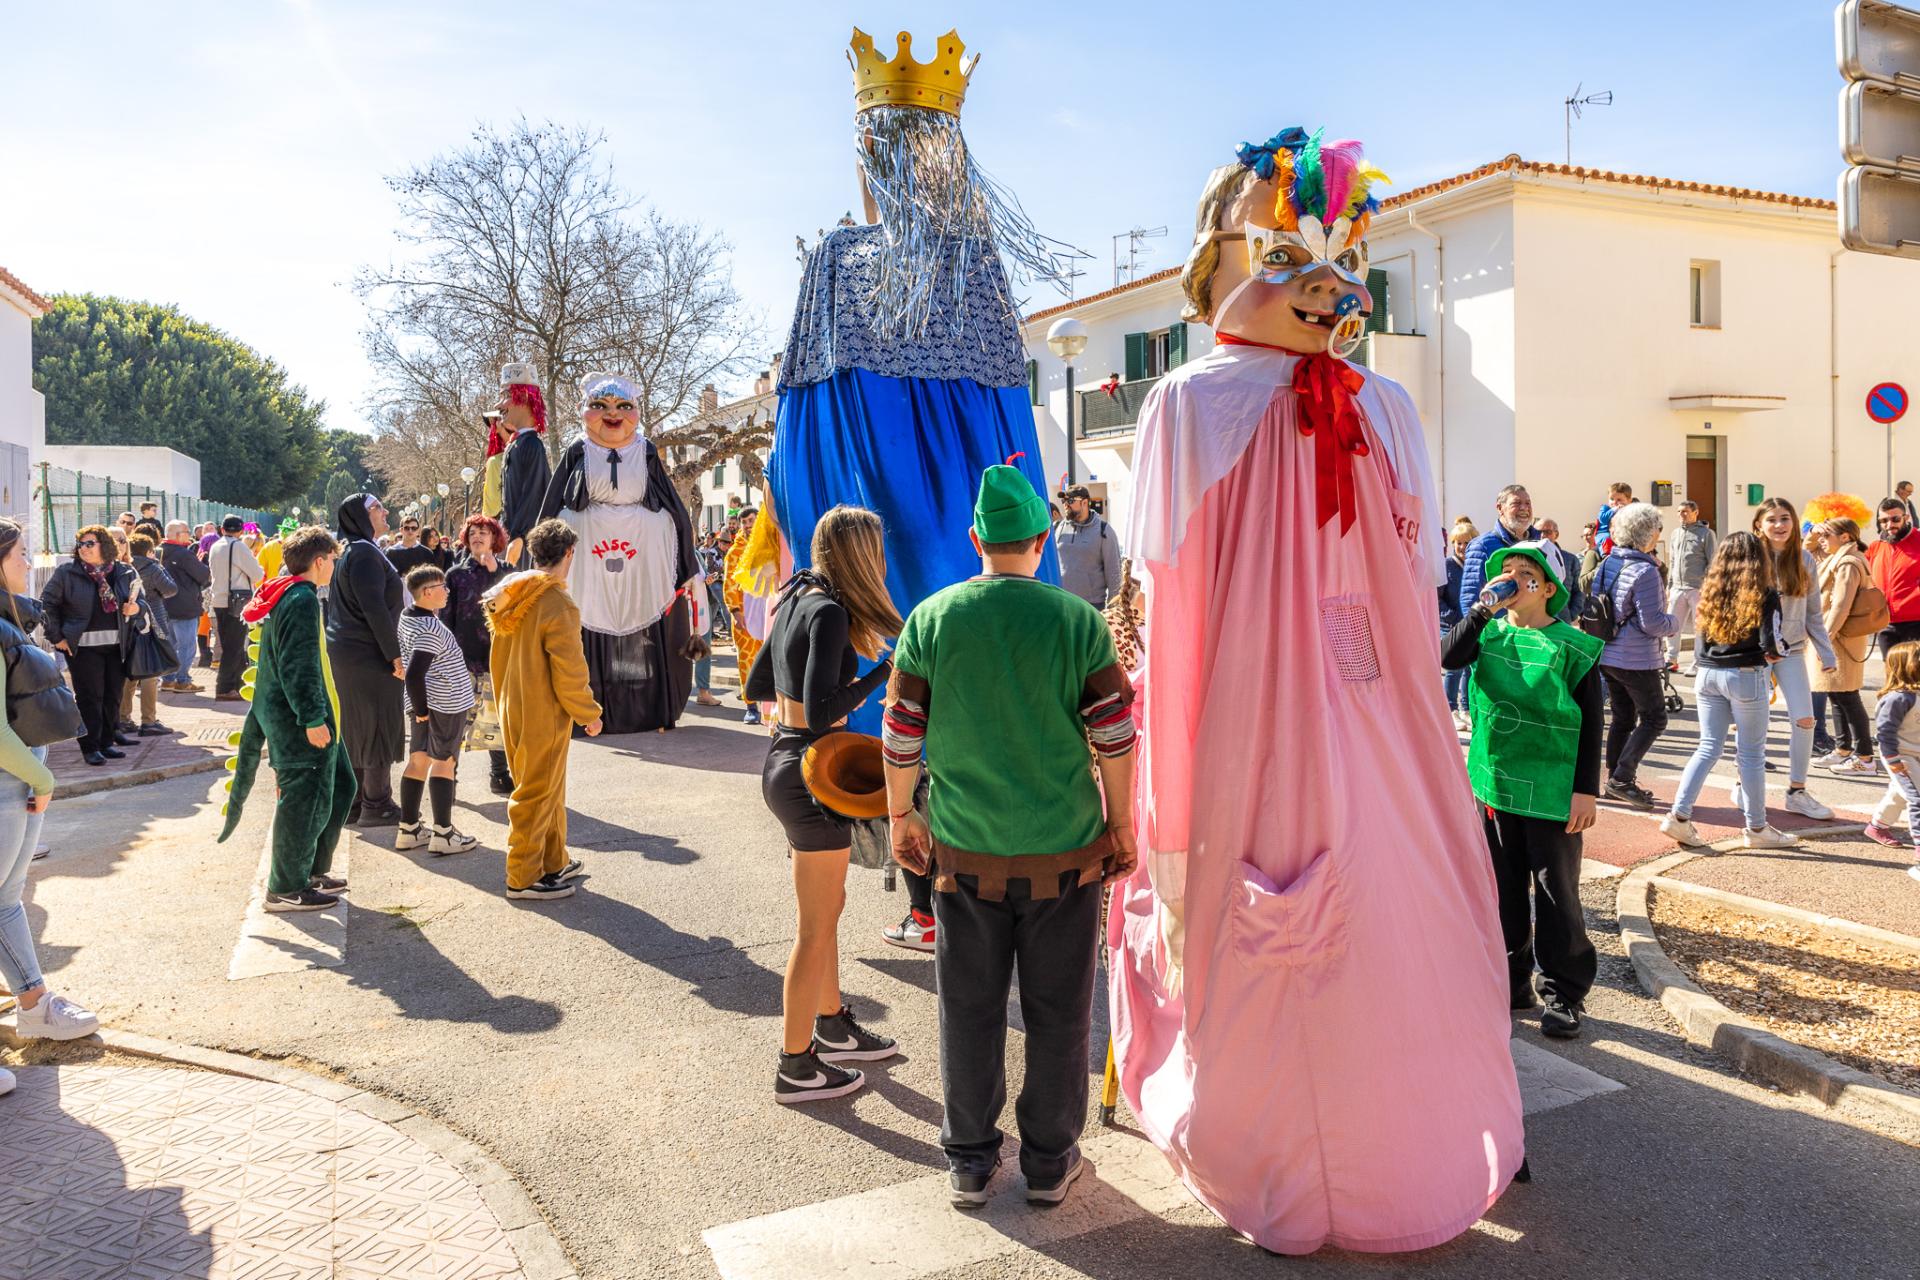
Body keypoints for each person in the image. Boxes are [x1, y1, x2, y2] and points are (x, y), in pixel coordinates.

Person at [1111, 127, 1524, 1255]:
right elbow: (1178, 600)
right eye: (1285, 252)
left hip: (1372, 711)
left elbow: (1407, 581)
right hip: (1263, 712)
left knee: (1397, 901)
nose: (1327, 282)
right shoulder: (1191, 404)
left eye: (1341, 253)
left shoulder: (1382, 406)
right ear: (1222, 259)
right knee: (1302, 917)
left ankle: (1415, 1132)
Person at [768, 26, 1064, 744]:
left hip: (866, 502)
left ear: (870, 157)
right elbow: (1007, 418)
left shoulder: (839, 258)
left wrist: (793, 509)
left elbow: (802, 424)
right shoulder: (975, 260)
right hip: (966, 500)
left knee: (898, 637)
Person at [884, 466, 1136, 1206]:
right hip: (1065, 855)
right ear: (1041, 541)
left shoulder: (931, 618)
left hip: (963, 857)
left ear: (976, 541)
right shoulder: (1077, 621)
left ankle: (968, 1160)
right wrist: (1120, 824)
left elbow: (901, 738)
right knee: (1059, 1014)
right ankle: (1051, 1164)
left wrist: (904, 817)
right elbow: (1116, 738)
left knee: (969, 1007)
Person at [744, 505, 903, 1104]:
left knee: (826, 910)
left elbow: (759, 685)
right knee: (814, 928)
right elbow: (818, 709)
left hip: (786, 763)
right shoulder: (830, 610)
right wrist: (883, 671)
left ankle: (832, 1024)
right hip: (811, 771)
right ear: (863, 555)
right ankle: (796, 1064)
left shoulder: (794, 600)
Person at [1441, 539, 1600, 1038]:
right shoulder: (1488, 631)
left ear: (1548, 588)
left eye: (1523, 573)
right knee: (1502, 890)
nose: (1510, 577)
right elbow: (1448, 658)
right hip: (1495, 786)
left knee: (1556, 895)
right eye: (1505, 569)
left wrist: (1585, 791)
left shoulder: (1573, 645)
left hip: (1551, 791)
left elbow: (1593, 721)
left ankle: (1564, 994)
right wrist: (1481, 610)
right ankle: (1512, 981)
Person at [537, 373, 703, 735]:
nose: (612, 414)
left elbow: (674, 509)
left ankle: (646, 709)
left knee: (640, 626)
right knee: (585, 623)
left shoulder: (644, 450)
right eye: (600, 406)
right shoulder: (579, 450)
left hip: (642, 547)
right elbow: (552, 507)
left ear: (636, 411)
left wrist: (682, 556)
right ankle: (587, 710)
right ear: (585, 411)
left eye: (623, 406)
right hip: (586, 552)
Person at [216, 526, 355, 911]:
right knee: (303, 798)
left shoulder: (294, 593)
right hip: (297, 718)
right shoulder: (300, 599)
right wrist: (312, 718)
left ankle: (309, 869)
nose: (334, 567)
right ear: (319, 561)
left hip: (308, 712)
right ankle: (286, 886)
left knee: (341, 785)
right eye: (333, 560)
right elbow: (298, 664)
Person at [0, 517, 100, 1046]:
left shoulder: (11, 618)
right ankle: (35, 1004)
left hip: (18, 781)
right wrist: (41, 777)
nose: (27, 561)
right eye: (19, 552)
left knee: (7, 898)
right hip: (11, 780)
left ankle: (34, 1004)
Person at [485, 518, 603, 901]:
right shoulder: (556, 602)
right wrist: (589, 712)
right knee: (537, 790)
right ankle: (523, 874)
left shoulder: (513, 592)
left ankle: (552, 860)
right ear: (569, 553)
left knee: (546, 786)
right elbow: (570, 669)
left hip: (512, 701)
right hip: (542, 708)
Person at [1660, 533, 1796, 850]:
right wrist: (1787, 651)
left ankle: (1679, 817)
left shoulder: (1710, 590)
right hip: (1745, 674)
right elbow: (1773, 646)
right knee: (1750, 754)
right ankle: (1757, 827)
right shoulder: (1765, 593)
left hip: (1707, 673)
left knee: (1708, 747)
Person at [1750, 498, 1836, 821]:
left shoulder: (1804, 560)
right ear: (1759, 524)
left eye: (1785, 518)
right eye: (1771, 519)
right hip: (1756, 653)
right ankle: (1745, 783)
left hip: (1793, 650)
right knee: (1754, 722)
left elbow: (1813, 612)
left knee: (1805, 720)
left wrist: (1826, 653)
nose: (1779, 525)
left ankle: (1797, 791)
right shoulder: (1751, 558)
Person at [327, 494, 406, 827]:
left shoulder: (356, 551)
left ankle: (358, 803)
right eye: (376, 507)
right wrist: (395, 655)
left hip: (353, 653)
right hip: (368, 654)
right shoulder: (363, 553)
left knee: (359, 727)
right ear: (360, 516)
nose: (385, 511)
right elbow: (374, 608)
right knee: (376, 725)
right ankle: (377, 803)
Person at [1592, 502, 1677, 809]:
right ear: (1648, 533)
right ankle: (1622, 778)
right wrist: (1676, 621)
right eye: (1658, 528)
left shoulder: (1606, 563)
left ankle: (1614, 777)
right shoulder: (1646, 571)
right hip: (1636, 658)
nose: (1659, 534)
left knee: (1623, 717)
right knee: (1655, 718)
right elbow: (1653, 623)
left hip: (1608, 653)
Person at [394, 565, 479, 856]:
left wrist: (419, 707)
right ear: (427, 592)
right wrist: (421, 711)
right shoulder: (429, 628)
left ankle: (409, 828)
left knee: (419, 760)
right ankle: (443, 833)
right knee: (445, 762)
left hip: (427, 701)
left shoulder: (408, 616)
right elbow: (415, 672)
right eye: (443, 587)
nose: (447, 591)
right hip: (443, 703)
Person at [42, 524, 140, 765]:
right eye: (80, 544)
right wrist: (57, 637)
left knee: (112, 696)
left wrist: (136, 608)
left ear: (104, 546)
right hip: (83, 648)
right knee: (90, 697)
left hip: (118, 646)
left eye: (89, 544)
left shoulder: (122, 571)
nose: (83, 548)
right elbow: (47, 605)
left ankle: (107, 742)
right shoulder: (67, 573)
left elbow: (141, 602)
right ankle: (90, 747)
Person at [442, 514, 515, 795]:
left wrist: (495, 571)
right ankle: (448, 776)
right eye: (472, 532)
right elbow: (446, 620)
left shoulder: (509, 572)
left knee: (497, 720)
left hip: (498, 658)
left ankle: (499, 774)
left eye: (484, 531)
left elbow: (515, 609)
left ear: (495, 538)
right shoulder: (455, 575)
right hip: (464, 660)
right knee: (457, 721)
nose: (478, 536)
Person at [1812, 517, 1879, 778]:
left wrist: (1824, 639)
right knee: (1836, 694)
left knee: (1848, 695)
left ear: (1846, 537)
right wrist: (1818, 529)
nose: (1821, 540)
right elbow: (1809, 547)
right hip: (1837, 635)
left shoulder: (1848, 562)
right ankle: (1843, 749)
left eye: (1827, 535)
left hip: (1840, 636)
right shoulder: (1837, 557)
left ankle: (1865, 758)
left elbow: (1841, 604)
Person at [1865, 642, 1920, 877]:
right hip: (1901, 756)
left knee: (1900, 794)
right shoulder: (1898, 699)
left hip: (1915, 754)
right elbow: (1884, 733)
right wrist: (1893, 760)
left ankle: (1877, 826)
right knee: (1917, 798)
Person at [120, 532, 178, 737]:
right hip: (151, 620)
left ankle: (124, 718)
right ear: (149, 550)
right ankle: (149, 720)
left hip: (128, 624)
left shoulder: (123, 567)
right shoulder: (153, 567)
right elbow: (171, 589)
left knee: (129, 671)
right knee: (150, 671)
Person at [498, 362, 551, 566]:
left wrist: (519, 536)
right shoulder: (518, 444)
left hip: (521, 543)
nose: (499, 405)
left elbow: (534, 494)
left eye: (506, 396)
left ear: (525, 398)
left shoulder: (532, 445)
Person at [1458, 484, 1540, 617]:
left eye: (1528, 503)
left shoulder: (1540, 544)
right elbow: (1470, 599)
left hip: (1534, 631)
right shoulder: (1481, 546)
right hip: (1500, 633)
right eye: (1516, 503)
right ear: (1500, 508)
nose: (1524, 508)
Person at [207, 515, 263, 702]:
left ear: (222, 529)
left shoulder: (215, 546)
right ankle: (223, 688)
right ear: (240, 531)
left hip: (219, 600)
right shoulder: (238, 546)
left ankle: (240, 685)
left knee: (232, 644)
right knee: (234, 646)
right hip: (237, 601)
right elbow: (257, 573)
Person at [1666, 500, 1717, 673]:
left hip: (1698, 588)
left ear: (1696, 513)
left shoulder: (1706, 534)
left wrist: (1706, 585)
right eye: (1679, 512)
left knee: (1700, 627)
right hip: (1677, 588)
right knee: (1672, 625)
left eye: (1685, 511)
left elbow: (1713, 561)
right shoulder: (1675, 534)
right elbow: (1672, 561)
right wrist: (1669, 585)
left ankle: (1697, 662)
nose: (1682, 515)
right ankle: (1671, 659)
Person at [1053, 484, 1123, 609]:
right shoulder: (1057, 528)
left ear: (1085, 502)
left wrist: (1114, 610)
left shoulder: (1104, 531)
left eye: (1071, 501)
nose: (1065, 505)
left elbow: (1114, 574)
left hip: (1092, 606)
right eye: (1064, 501)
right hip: (1061, 603)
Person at [159, 520, 209, 694]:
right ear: (178, 535)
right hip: (184, 605)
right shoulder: (184, 554)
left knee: (170, 644)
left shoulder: (159, 552)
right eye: (187, 532)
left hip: (163, 606)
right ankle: (182, 680)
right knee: (187, 646)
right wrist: (203, 565)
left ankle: (167, 679)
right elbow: (203, 575)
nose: (190, 535)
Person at [725, 508, 765, 725]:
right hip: (745, 615)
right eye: (744, 522)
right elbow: (729, 584)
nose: (748, 525)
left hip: (767, 612)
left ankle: (770, 705)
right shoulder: (734, 553)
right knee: (747, 661)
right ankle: (751, 705)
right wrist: (735, 611)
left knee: (769, 659)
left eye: (751, 520)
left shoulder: (769, 545)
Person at [1869, 497, 1920, 658]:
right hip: (1885, 624)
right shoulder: (1875, 547)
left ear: (1906, 518)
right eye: (1884, 520)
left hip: (1916, 623)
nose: (1889, 525)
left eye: (1895, 519)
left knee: (1914, 677)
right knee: (1892, 678)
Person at [1440, 518, 1476, 732]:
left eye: (1467, 542)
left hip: (1472, 625)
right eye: (1459, 542)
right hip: (1450, 624)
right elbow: (1438, 599)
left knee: (1470, 667)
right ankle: (1450, 708)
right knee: (1454, 668)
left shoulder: (1475, 564)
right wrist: (1455, 618)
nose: (1462, 547)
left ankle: (1465, 708)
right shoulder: (1447, 566)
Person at [1595, 482, 1632, 555]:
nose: (1614, 502)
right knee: (1607, 539)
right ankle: (1605, 556)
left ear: (1629, 500)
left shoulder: (1629, 511)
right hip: (1604, 534)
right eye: (1612, 499)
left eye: (1619, 500)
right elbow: (1603, 519)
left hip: (1621, 538)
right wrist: (1613, 510)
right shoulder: (1605, 508)